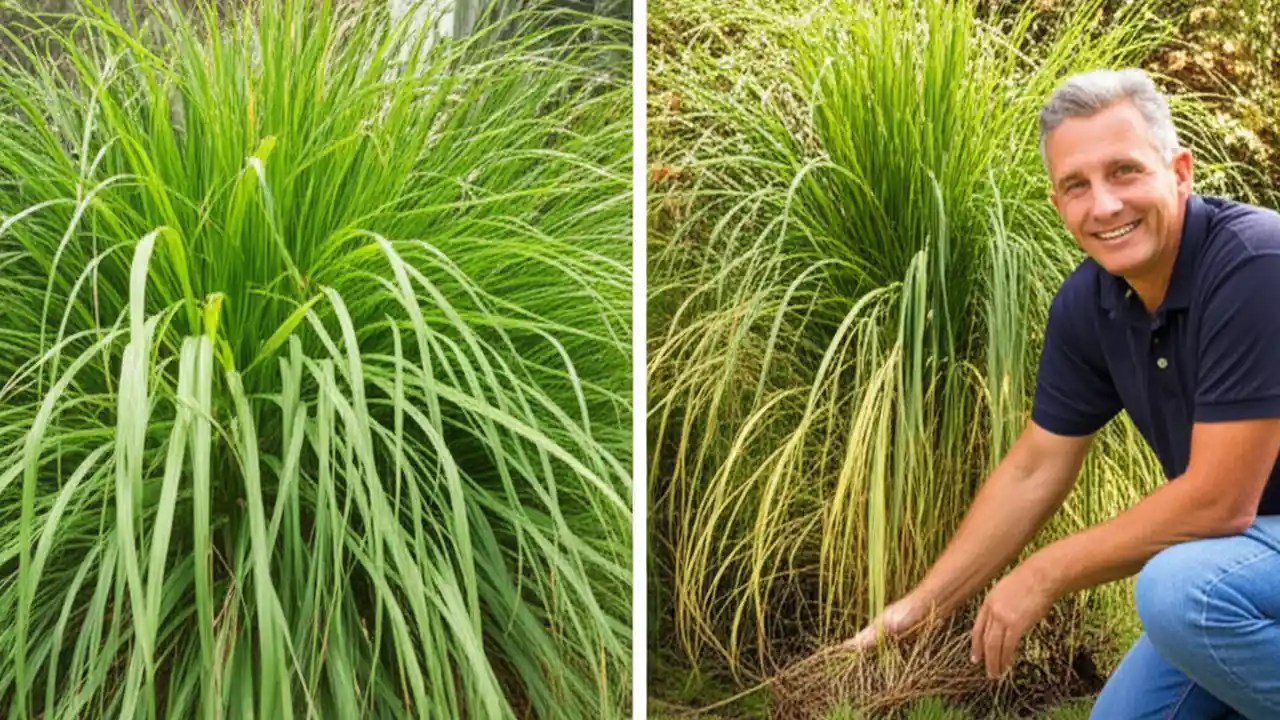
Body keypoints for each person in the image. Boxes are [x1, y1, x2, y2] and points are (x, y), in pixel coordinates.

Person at [842, 68, 1280, 719]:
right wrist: (921, 605)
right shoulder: (1090, 304)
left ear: (1180, 172)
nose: (1103, 205)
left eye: (1124, 172)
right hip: (1253, 560)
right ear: (1058, 203)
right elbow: (1035, 467)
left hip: (1234, 554)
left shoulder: (1256, 264)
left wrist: (1043, 573)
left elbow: (1218, 503)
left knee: (1179, 591)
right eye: (1077, 185)